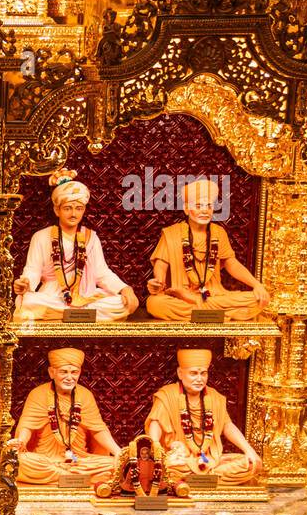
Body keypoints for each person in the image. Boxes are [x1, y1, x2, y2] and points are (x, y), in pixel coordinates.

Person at [14, 169, 137, 322]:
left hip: (86, 295)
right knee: (29, 301)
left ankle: (63, 315)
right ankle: (80, 316)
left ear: (84, 210)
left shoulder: (91, 237)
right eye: (67, 208)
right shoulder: (41, 237)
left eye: (78, 208)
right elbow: (32, 270)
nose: (73, 214)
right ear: (56, 210)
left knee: (120, 302)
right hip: (53, 297)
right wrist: (25, 284)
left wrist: (125, 288)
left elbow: (102, 272)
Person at [145, 178, 267, 320]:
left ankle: (199, 309)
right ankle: (220, 315)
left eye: (208, 206)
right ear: (186, 209)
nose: (204, 211)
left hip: (213, 294)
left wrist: (256, 285)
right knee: (155, 303)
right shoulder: (172, 233)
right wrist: (158, 283)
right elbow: (161, 265)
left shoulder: (219, 233)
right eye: (198, 206)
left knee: (258, 299)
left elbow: (232, 263)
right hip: (181, 296)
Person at [146, 348, 261, 485]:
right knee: (165, 468)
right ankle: (203, 478)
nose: (199, 379)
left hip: (210, 460)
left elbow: (227, 426)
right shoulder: (168, 395)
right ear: (180, 373)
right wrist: (156, 453)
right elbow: (156, 422)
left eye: (203, 373)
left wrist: (249, 450)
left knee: (248, 463)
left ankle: (200, 478)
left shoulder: (214, 397)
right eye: (193, 373)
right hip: (180, 460)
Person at [10, 347, 120, 486]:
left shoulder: (85, 395)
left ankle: (63, 477)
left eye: (74, 372)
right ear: (52, 372)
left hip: (78, 460)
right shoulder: (38, 394)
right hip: (46, 459)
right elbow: (27, 426)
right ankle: (79, 479)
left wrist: (117, 452)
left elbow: (98, 429)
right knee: (20, 461)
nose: (69, 377)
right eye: (64, 372)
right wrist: (21, 442)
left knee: (114, 464)